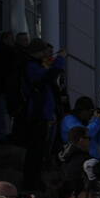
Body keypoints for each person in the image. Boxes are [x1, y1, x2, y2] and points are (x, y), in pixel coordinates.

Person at [21, 41, 66, 189]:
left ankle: (35, 179)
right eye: (43, 51)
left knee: (41, 150)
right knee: (36, 150)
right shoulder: (31, 67)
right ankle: (31, 181)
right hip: (38, 115)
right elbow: (48, 77)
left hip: (43, 113)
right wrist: (59, 60)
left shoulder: (35, 65)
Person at [59, 95, 100, 159]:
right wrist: (98, 120)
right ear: (83, 110)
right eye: (91, 111)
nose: (92, 114)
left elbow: (97, 141)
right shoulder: (68, 120)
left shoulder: (84, 122)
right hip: (78, 160)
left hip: (91, 159)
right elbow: (83, 132)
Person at [0, 31, 19, 143]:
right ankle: (3, 135)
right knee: (4, 113)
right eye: (11, 39)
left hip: (1, 87)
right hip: (5, 87)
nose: (13, 41)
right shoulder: (11, 53)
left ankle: (3, 134)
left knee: (2, 113)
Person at [58, 125, 93, 193]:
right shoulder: (83, 160)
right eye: (89, 138)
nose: (90, 140)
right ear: (81, 140)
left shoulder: (67, 155)